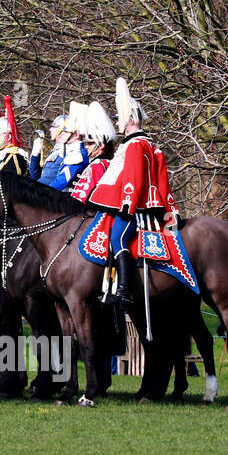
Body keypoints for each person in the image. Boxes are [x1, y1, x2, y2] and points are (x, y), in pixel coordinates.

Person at [86, 79, 180, 305]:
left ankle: (124, 291)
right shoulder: (136, 143)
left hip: (134, 207)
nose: (116, 123)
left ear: (129, 119)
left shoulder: (136, 145)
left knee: (117, 239)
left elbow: (133, 179)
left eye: (119, 118)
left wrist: (126, 205)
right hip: (134, 205)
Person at [70, 102, 117, 201]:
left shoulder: (97, 165)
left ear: (100, 146)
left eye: (90, 144)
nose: (86, 147)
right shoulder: (106, 163)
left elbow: (83, 197)